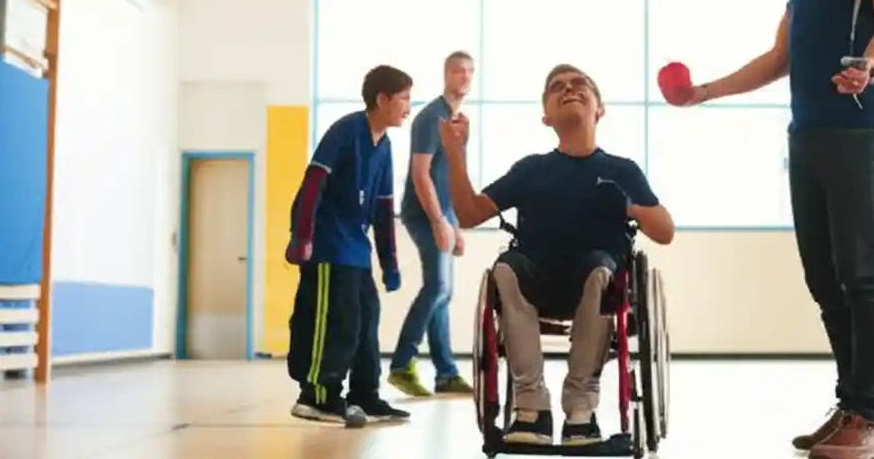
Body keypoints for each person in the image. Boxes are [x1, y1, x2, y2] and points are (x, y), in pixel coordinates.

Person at [669, 0, 874, 457]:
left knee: (863, 273)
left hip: (861, 128)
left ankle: (873, 414)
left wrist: (870, 64)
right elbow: (781, 55)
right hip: (807, 132)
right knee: (825, 278)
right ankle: (850, 401)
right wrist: (705, 91)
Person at [440, 64, 676, 447]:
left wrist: (632, 207)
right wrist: (454, 153)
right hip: (535, 279)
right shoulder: (532, 169)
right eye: (557, 87)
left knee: (599, 270)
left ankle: (581, 410)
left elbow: (664, 231)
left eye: (581, 84)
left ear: (599, 109)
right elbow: (468, 214)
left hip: (597, 281)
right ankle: (531, 408)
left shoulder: (621, 171)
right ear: (546, 116)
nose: (570, 88)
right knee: (505, 269)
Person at [285, 64, 413, 425]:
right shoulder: (346, 130)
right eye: (404, 99)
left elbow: (384, 207)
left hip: (356, 251)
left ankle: (365, 396)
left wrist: (389, 263)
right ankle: (317, 396)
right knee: (333, 321)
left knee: (365, 319)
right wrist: (302, 236)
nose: (407, 107)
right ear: (382, 98)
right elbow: (313, 184)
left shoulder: (384, 145)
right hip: (327, 247)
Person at [388, 51, 476, 397]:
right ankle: (400, 364)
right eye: (458, 71)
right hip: (423, 213)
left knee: (444, 290)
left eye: (469, 71)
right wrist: (439, 220)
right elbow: (421, 174)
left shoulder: (458, 121)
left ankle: (445, 373)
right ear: (445, 75)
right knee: (437, 287)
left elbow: (451, 175)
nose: (464, 77)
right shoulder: (430, 119)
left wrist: (456, 223)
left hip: (444, 212)